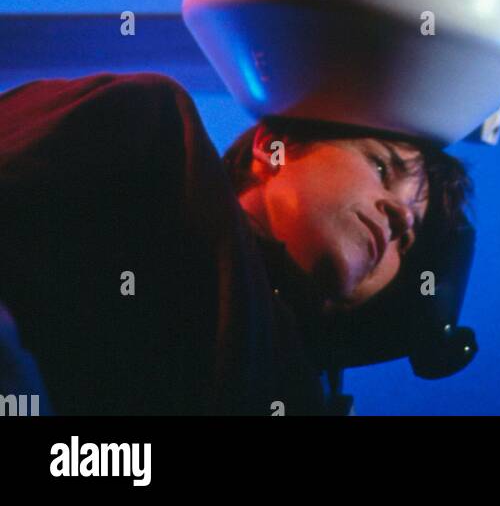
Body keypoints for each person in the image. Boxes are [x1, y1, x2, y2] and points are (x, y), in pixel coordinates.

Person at [0, 70, 473, 416]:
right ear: (273, 150)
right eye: (380, 167)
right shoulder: (152, 133)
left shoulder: (308, 393)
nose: (399, 217)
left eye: (408, 239)